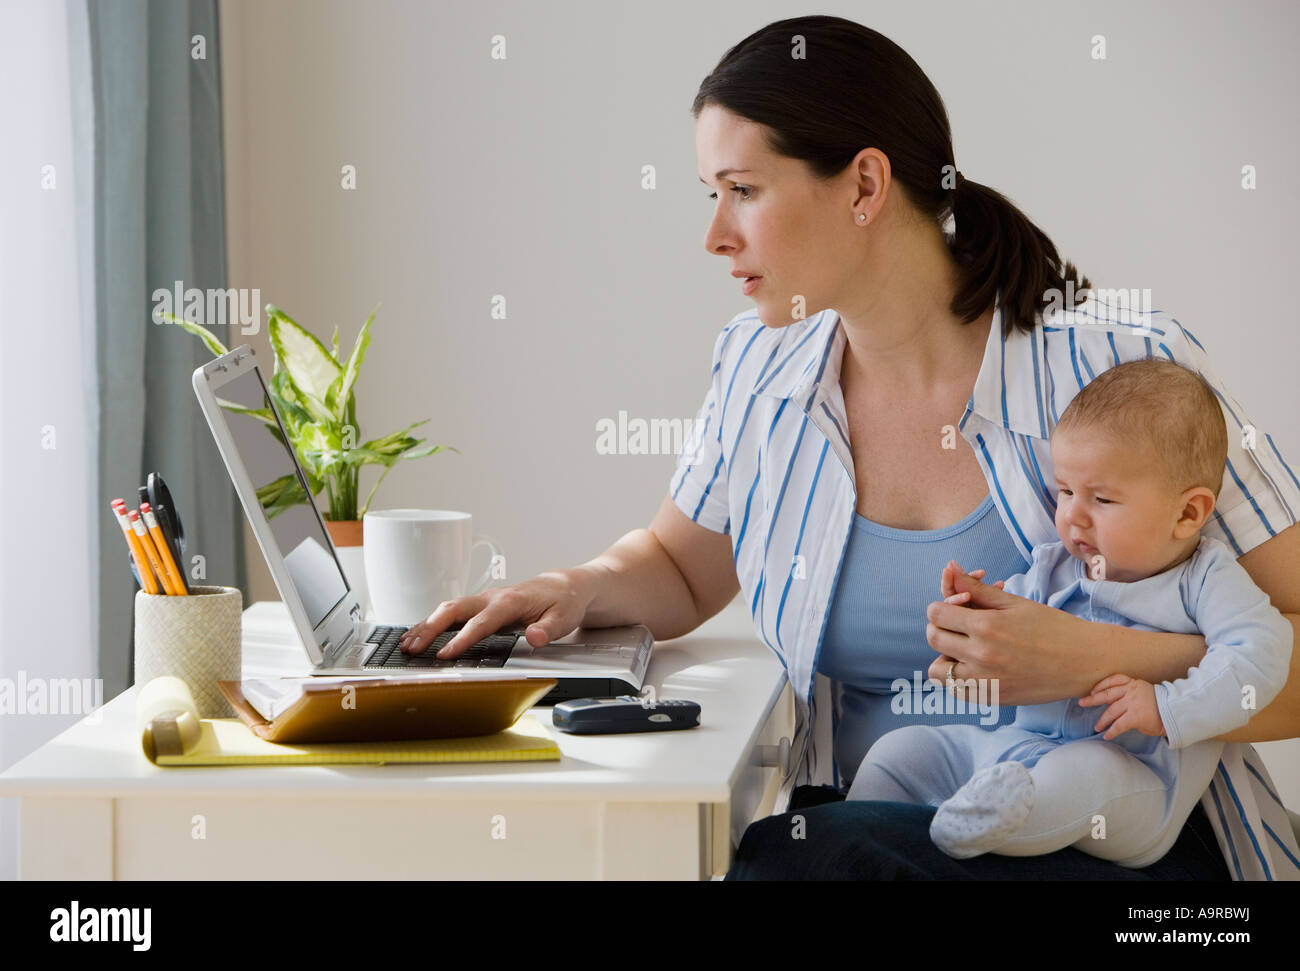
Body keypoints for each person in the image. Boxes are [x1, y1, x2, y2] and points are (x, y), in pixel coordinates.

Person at [397, 15, 1300, 879]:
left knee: (803, 860)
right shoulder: (760, 365)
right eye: (713, 195)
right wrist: (573, 586)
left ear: (866, 185)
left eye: (743, 191)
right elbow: (679, 564)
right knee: (811, 849)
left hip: (1124, 846)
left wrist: (1090, 659)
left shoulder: (1119, 369)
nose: (714, 234)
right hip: (884, 826)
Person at [845, 358, 1294, 869]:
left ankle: (977, 830)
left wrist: (1168, 706)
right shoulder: (1055, 565)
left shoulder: (1205, 581)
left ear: (1187, 513)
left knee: (1083, 779)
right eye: (1064, 491)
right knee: (903, 751)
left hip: (1134, 780)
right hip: (1016, 746)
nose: (1073, 516)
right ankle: (864, 830)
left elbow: (1261, 653)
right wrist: (975, 609)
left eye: (1101, 498)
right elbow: (1015, 623)